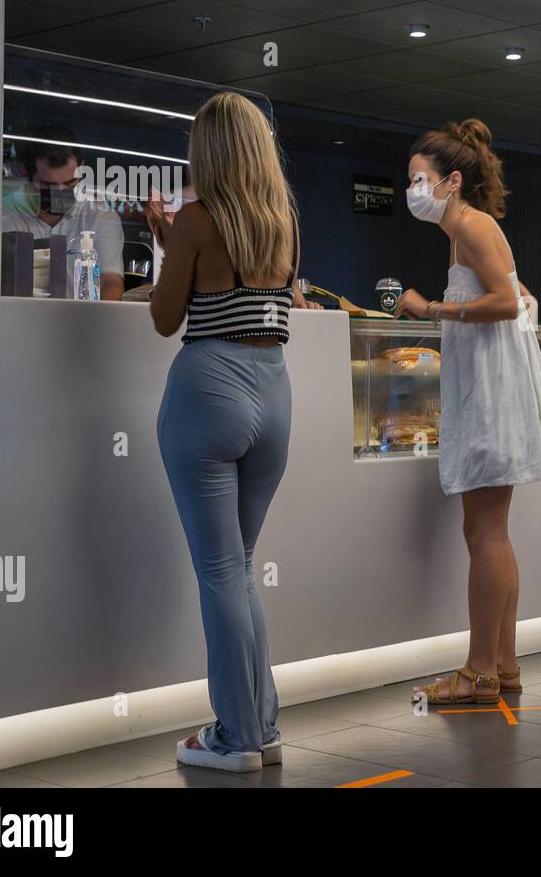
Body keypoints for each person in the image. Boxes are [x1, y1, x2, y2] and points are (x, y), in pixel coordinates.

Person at [148, 91, 302, 772]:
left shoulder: (196, 218)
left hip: (209, 389)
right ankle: (259, 726)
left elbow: (163, 316)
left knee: (219, 571)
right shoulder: (282, 222)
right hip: (275, 391)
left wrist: (166, 241)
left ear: (206, 150)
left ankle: (234, 737)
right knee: (239, 567)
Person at [394, 119, 541, 705]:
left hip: (491, 392)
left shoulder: (473, 225)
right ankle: (501, 665)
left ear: (452, 181)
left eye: (420, 179)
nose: (412, 190)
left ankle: (478, 671)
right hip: (490, 386)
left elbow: (507, 302)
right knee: (490, 532)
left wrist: (433, 307)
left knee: (485, 532)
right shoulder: (462, 231)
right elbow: (517, 295)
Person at [2, 131, 125, 300]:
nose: (59, 193)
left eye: (69, 184)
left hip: (77, 321)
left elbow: (111, 283)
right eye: (48, 185)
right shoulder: (3, 213)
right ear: (25, 173)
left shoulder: (100, 216)